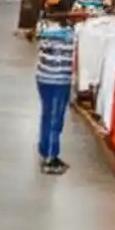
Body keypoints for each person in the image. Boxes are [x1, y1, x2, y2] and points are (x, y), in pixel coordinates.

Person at [36, 14, 76, 174]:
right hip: (60, 80)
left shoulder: (44, 29)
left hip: (42, 78)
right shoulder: (71, 35)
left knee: (46, 115)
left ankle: (44, 149)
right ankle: (51, 159)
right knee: (56, 120)